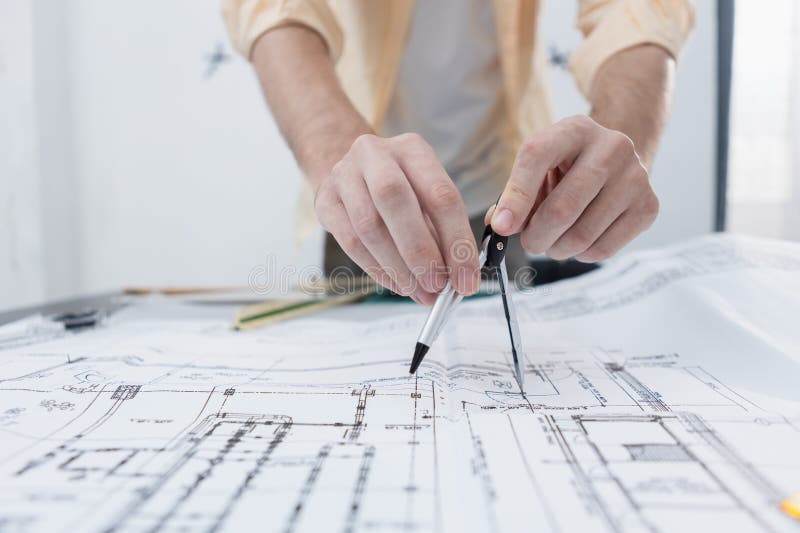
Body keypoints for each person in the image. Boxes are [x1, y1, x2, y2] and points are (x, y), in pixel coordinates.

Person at [222, 0, 694, 304]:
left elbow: (637, 8)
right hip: (364, 203)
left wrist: (620, 135)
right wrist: (338, 157)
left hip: (504, 200)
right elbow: (274, 10)